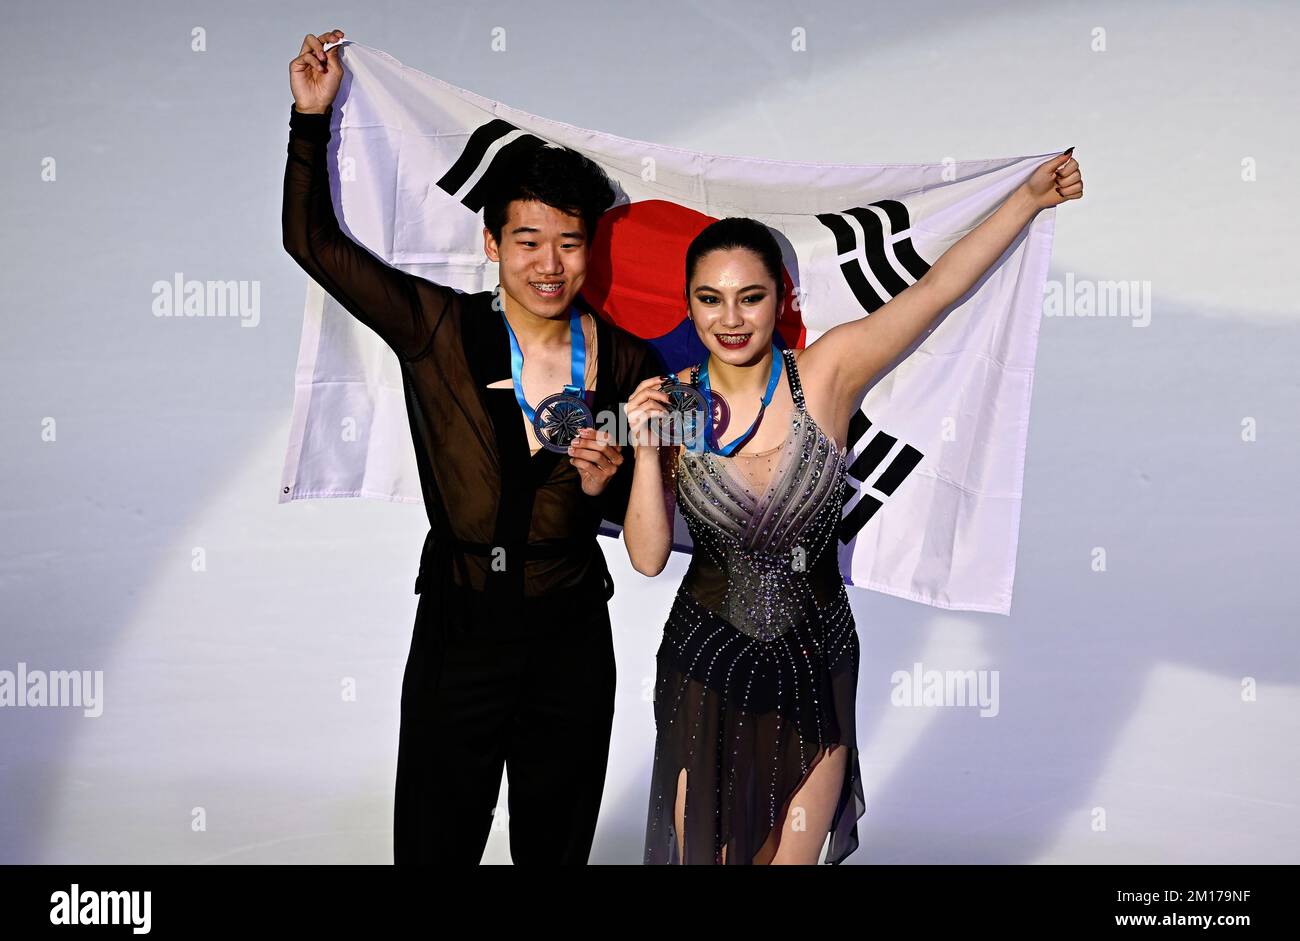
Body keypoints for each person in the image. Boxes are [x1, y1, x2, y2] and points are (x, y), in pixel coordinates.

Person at [622, 152, 1083, 864]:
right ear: (688, 304)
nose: (731, 317)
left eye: (751, 296)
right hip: (704, 666)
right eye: (710, 298)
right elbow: (648, 558)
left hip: (815, 663)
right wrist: (647, 453)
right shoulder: (672, 398)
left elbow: (934, 294)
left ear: (782, 298)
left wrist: (1025, 201)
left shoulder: (829, 372)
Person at [282, 29, 666, 863]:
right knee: (432, 844)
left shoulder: (629, 361)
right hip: (459, 626)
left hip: (569, 636)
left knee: (554, 847)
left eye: (569, 241)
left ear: (589, 246)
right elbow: (315, 247)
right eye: (528, 241)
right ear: (493, 244)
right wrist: (309, 122)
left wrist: (614, 475)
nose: (550, 263)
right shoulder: (440, 329)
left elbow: (645, 510)